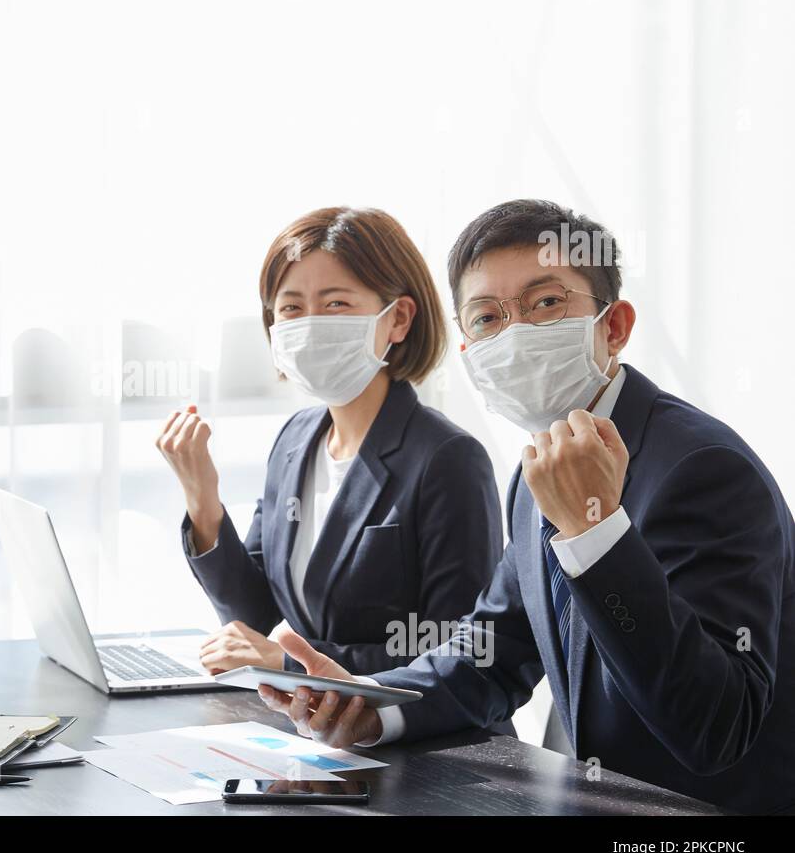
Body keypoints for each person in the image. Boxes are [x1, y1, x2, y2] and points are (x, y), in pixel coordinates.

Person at [257, 199, 795, 815]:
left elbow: (716, 727)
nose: (513, 335)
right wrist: (370, 706)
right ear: (469, 351)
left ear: (614, 327)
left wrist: (595, 532)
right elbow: (492, 652)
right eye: (486, 318)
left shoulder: (702, 467)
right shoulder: (535, 471)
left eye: (544, 304)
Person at [156, 207, 503, 677]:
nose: (310, 323)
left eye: (336, 303)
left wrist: (295, 665)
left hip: (415, 739)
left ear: (398, 318)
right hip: (308, 728)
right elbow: (256, 617)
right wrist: (202, 499)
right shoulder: (295, 440)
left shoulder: (447, 458)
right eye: (291, 308)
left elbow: (458, 652)